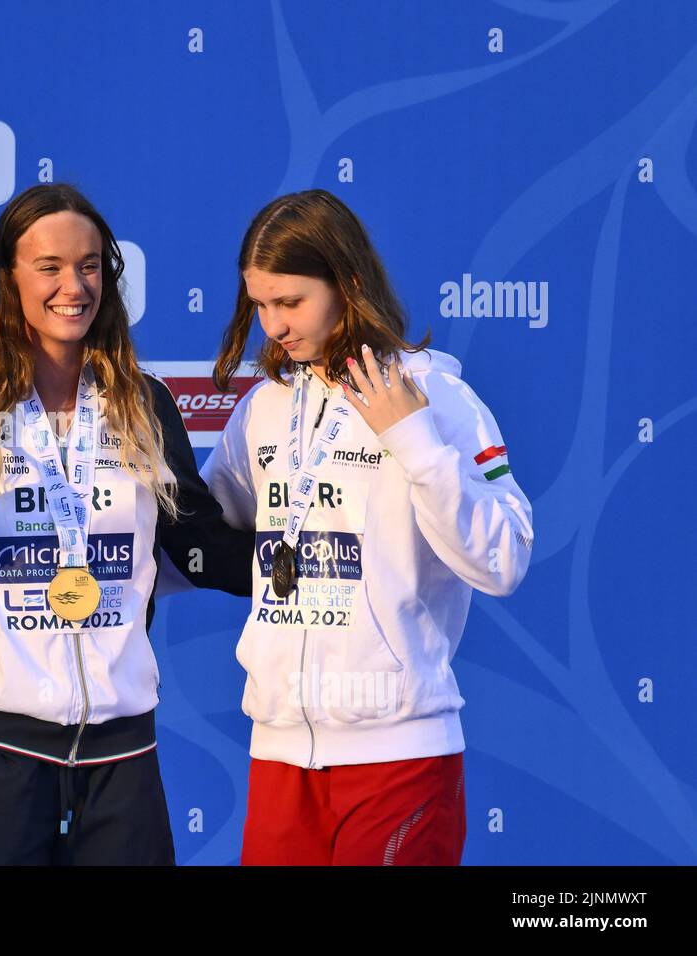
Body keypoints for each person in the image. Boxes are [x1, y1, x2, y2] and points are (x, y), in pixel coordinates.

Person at [0, 183, 254, 866]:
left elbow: (196, 539)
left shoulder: (142, 402)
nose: (74, 285)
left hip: (122, 755)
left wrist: (294, 559)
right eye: (50, 266)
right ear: (8, 278)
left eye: (89, 266)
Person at [201, 189, 534, 866]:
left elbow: (504, 561)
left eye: (290, 302)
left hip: (400, 756)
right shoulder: (266, 410)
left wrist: (414, 441)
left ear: (348, 284)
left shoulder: (436, 399)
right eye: (260, 304)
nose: (273, 327)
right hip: (279, 756)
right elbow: (197, 544)